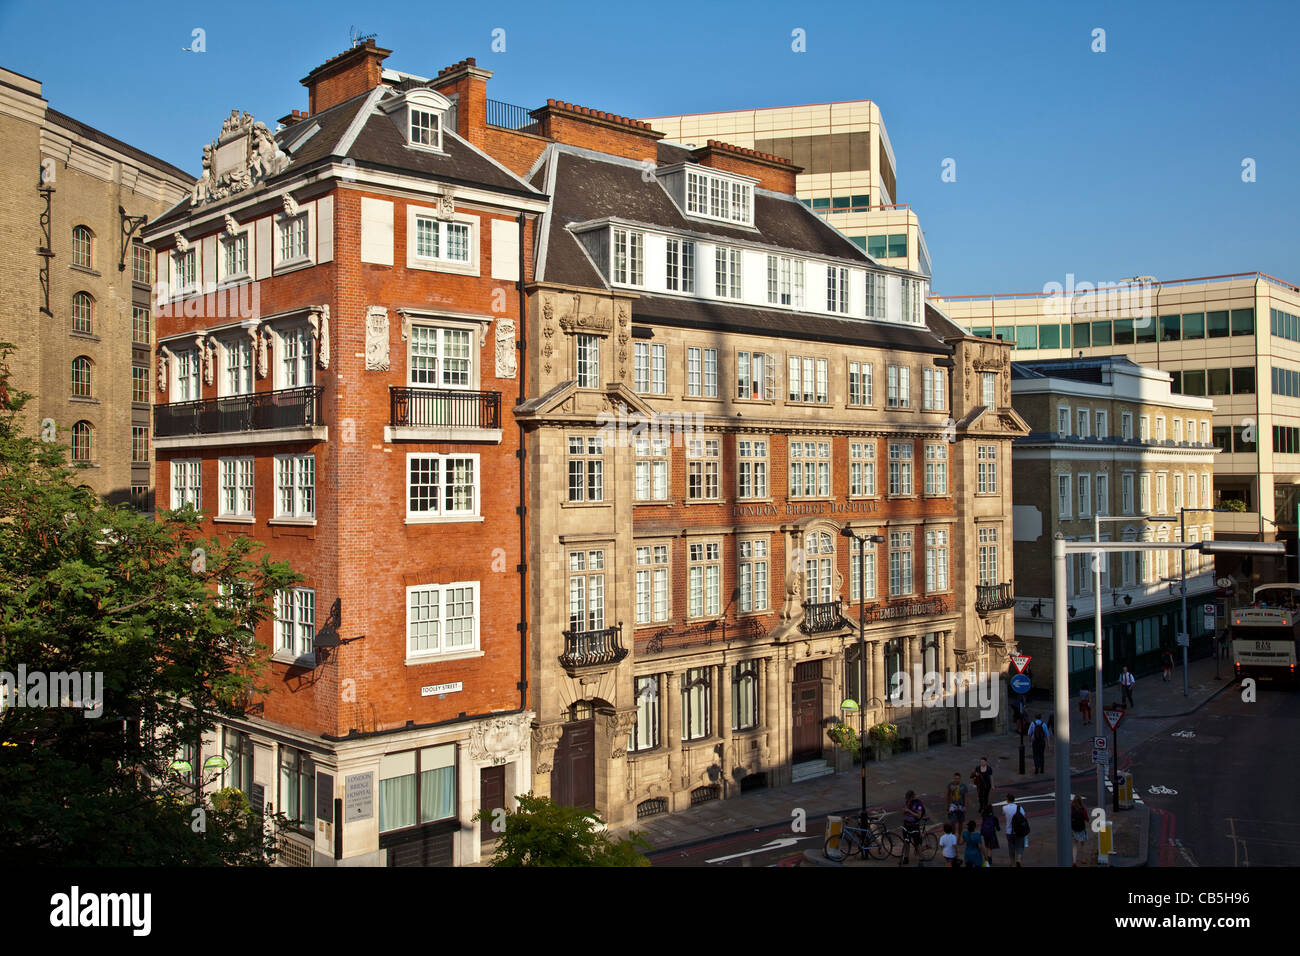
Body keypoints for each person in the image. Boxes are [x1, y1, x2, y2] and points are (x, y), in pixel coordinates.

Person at [900, 789, 926, 866]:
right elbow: (904, 812)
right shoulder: (907, 802)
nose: (908, 800)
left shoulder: (918, 803)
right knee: (906, 842)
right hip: (906, 825)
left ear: (912, 797)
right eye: (907, 798)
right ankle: (906, 858)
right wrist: (905, 810)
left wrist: (909, 810)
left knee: (917, 843)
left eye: (909, 798)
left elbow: (919, 815)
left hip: (914, 825)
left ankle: (921, 859)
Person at [1003, 792, 1027, 866]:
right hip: (1019, 830)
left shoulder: (1004, 808)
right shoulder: (1019, 808)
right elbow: (1024, 816)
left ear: (1007, 800)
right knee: (1020, 845)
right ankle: (1019, 860)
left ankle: (1012, 863)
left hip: (1009, 831)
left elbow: (1004, 815)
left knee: (1011, 847)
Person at [1070, 794, 1089, 866]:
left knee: (1075, 845)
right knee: (1082, 844)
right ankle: (1083, 859)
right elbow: (1087, 819)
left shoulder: (1071, 808)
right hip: (1081, 829)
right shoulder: (1083, 809)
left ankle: (1074, 861)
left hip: (1074, 829)